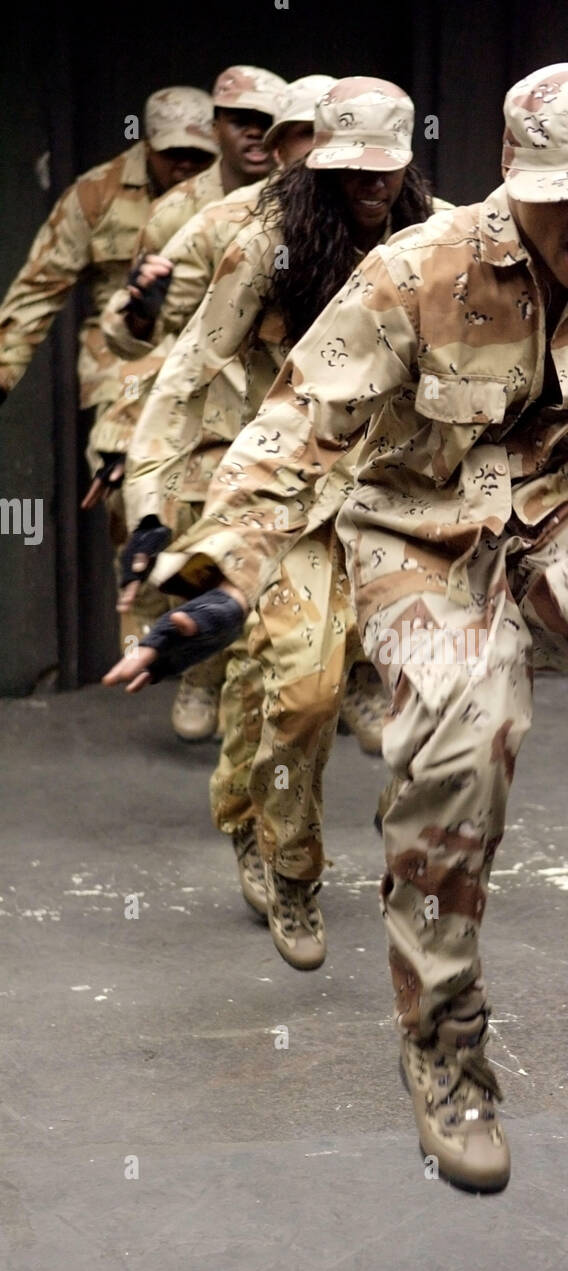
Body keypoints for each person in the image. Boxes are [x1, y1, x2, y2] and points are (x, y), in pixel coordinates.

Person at [106, 61, 568, 1193]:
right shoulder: (415, 272)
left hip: (564, 509)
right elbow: (294, 432)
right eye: (566, 191)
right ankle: (446, 1051)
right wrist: (215, 574)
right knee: (459, 750)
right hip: (415, 537)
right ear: (511, 176)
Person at [108, 78, 450, 961]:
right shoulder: (262, 241)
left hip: (402, 493)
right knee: (298, 691)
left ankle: (412, 835)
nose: (370, 187)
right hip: (284, 495)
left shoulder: (441, 238)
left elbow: (527, 342)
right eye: (349, 169)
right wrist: (148, 511)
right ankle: (285, 860)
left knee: (459, 692)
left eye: (386, 170)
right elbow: (177, 370)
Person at [89, 64, 293, 738]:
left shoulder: (339, 208)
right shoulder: (187, 215)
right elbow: (139, 333)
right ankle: (204, 672)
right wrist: (124, 429)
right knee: (197, 534)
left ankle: (348, 680)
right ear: (219, 127)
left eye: (272, 125)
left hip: (303, 404)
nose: (257, 137)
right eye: (243, 122)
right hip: (214, 399)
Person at [0, 86, 217, 640]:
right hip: (122, 355)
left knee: (221, 486)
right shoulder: (96, 194)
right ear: (148, 144)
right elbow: (38, 290)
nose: (187, 164)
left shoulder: (233, 191)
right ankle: (144, 611)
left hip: (210, 342)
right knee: (125, 472)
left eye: (200, 152)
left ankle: (209, 641)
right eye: (174, 153)